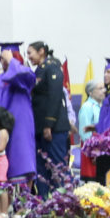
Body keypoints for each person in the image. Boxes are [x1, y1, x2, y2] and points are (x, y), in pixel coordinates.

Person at [0, 43, 35, 193]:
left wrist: (12, 61)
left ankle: (23, 205)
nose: (3, 61)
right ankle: (2, 206)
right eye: (2, 58)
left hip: (19, 125)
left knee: (21, 161)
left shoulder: (23, 72)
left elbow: (26, 77)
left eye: (5, 58)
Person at [27, 41, 70, 194]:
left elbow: (54, 96)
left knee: (58, 166)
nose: (29, 57)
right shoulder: (39, 70)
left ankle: (66, 202)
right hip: (40, 127)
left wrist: (48, 125)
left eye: (30, 53)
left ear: (41, 51)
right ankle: (45, 202)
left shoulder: (52, 67)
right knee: (41, 168)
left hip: (54, 128)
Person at [76, 79, 105, 178]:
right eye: (100, 88)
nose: (104, 90)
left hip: (100, 148)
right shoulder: (87, 107)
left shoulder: (99, 106)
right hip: (91, 151)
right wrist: (93, 152)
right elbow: (85, 133)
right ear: (90, 92)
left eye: (104, 88)